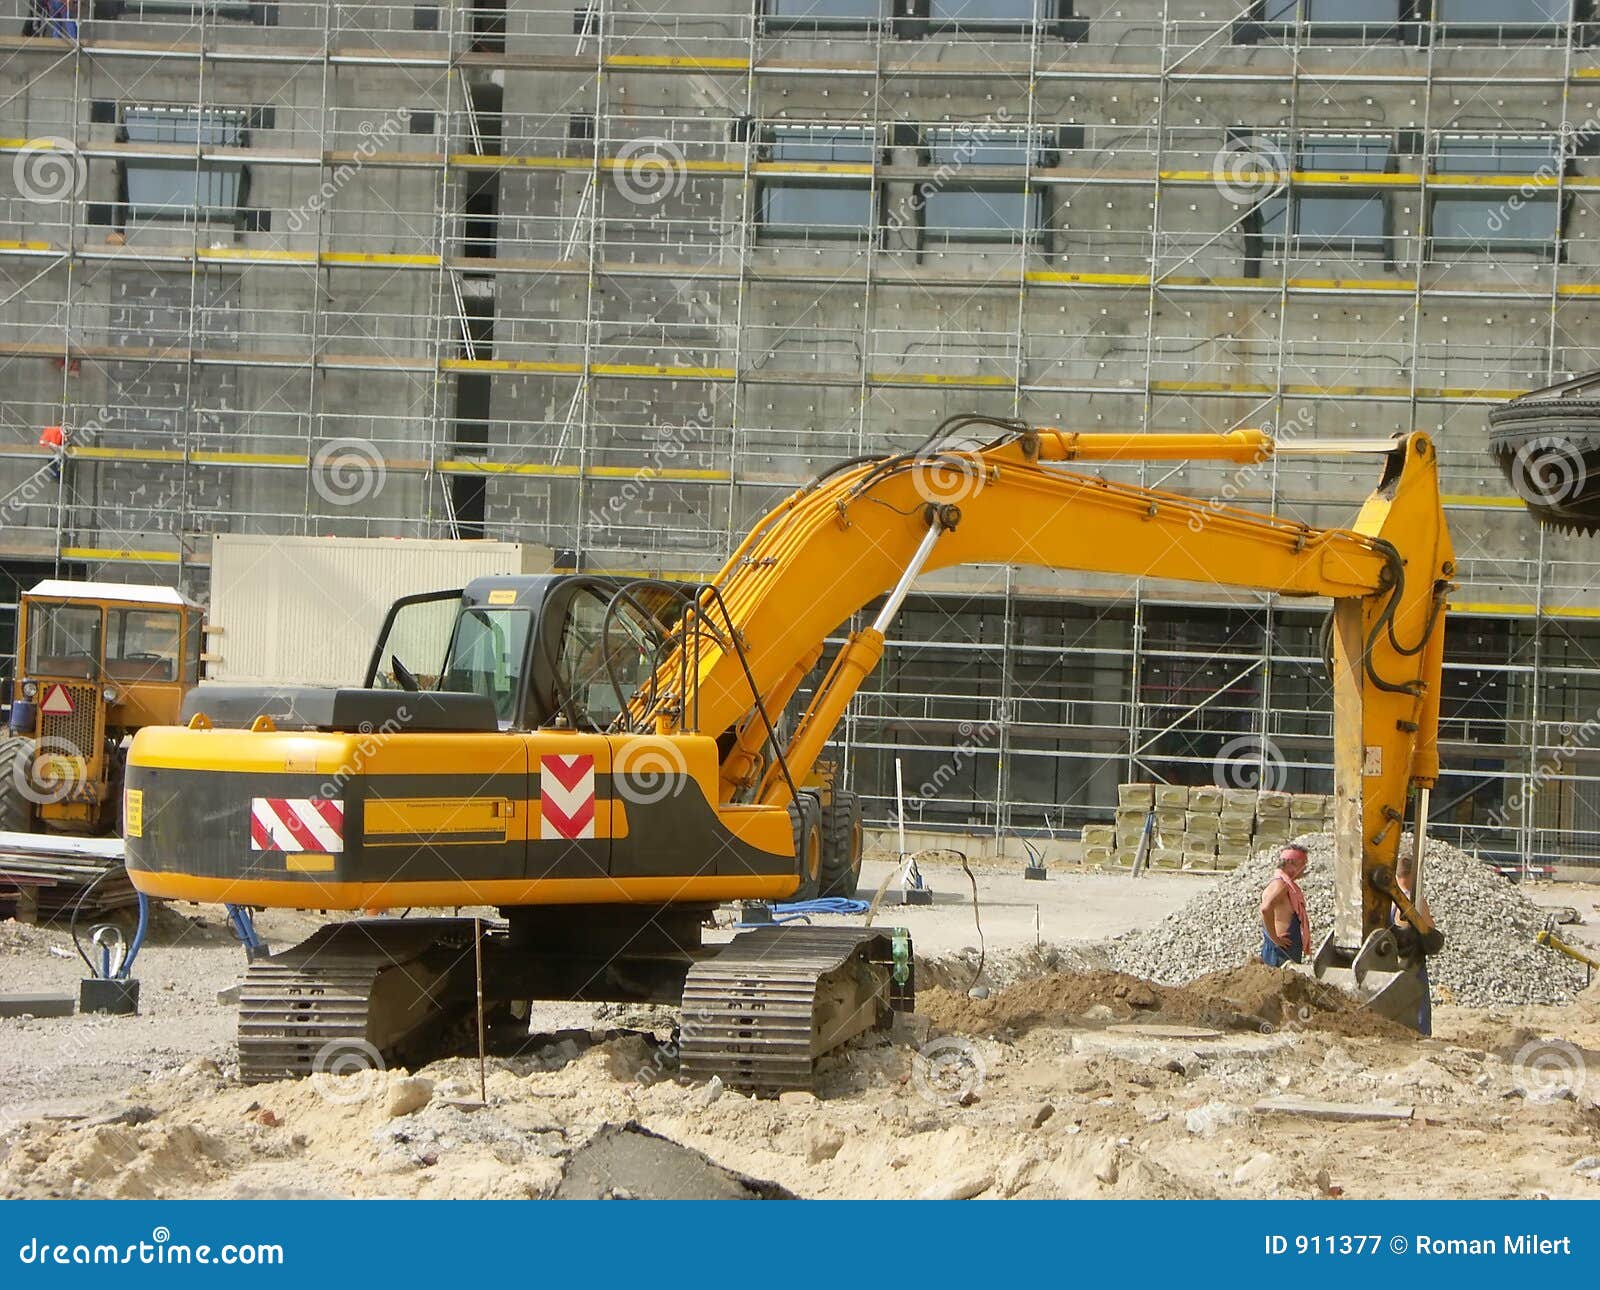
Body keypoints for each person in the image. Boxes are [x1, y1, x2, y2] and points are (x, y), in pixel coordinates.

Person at [1393, 846, 1434, 1036]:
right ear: (1411, 875)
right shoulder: (1414, 899)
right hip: (1413, 958)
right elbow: (1430, 929)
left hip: (1391, 958)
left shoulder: (1386, 899)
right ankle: (1421, 1034)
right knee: (1419, 999)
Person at [1259, 844, 1311, 966]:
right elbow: (1265, 909)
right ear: (1290, 863)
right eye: (1302, 863)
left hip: (1283, 948)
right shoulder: (1281, 885)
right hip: (1281, 951)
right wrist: (1275, 939)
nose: (1304, 868)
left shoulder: (1284, 884)